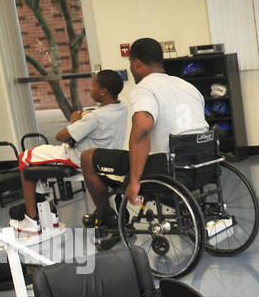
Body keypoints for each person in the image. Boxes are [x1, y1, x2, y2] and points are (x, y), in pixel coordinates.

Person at [80, 37, 207, 228]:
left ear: (136, 64)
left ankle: (109, 219)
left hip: (166, 167)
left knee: (88, 158)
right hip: (202, 163)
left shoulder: (145, 88)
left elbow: (141, 131)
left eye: (131, 64)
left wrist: (135, 181)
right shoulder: (187, 86)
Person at [10, 69, 126, 236]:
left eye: (93, 85)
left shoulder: (95, 117)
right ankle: (50, 214)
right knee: (37, 165)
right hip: (106, 157)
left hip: (77, 158)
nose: (90, 88)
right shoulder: (122, 108)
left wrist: (74, 122)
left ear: (103, 91)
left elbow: (61, 136)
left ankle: (31, 220)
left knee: (25, 158)